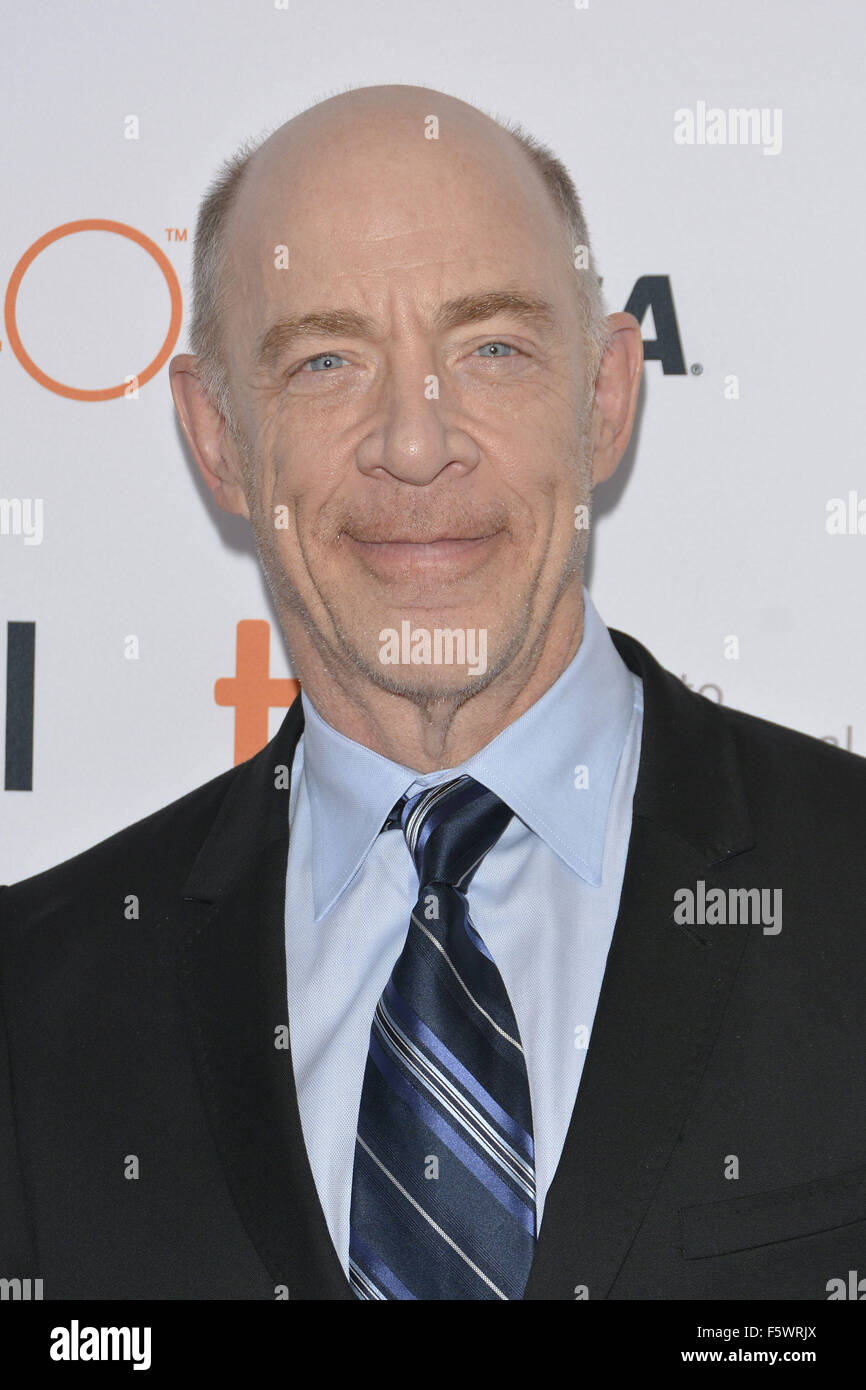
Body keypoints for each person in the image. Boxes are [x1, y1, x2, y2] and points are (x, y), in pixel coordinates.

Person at [2, 84, 864, 1302]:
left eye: (491, 349)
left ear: (607, 393)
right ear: (217, 435)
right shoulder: (35, 1005)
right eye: (325, 359)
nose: (415, 441)